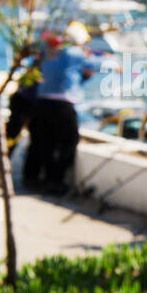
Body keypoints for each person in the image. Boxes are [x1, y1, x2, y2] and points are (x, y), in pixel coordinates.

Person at [32, 23, 98, 194]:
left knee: (47, 144)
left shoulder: (49, 51)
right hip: (63, 104)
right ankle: (58, 181)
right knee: (69, 142)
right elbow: (92, 67)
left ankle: (47, 180)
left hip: (42, 103)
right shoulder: (75, 53)